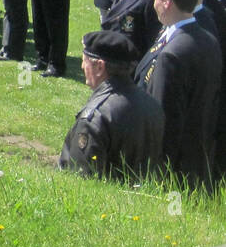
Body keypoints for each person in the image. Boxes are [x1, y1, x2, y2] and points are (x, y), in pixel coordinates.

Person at [135, 0, 222, 187]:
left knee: (171, 213)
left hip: (172, 166)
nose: (152, 3)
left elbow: (164, 116)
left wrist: (156, 173)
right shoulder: (208, 39)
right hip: (199, 156)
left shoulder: (172, 55)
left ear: (167, 2)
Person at [59, 31, 164, 181]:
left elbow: (78, 180)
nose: (82, 66)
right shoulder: (153, 105)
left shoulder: (95, 118)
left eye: (85, 61)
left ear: (100, 67)